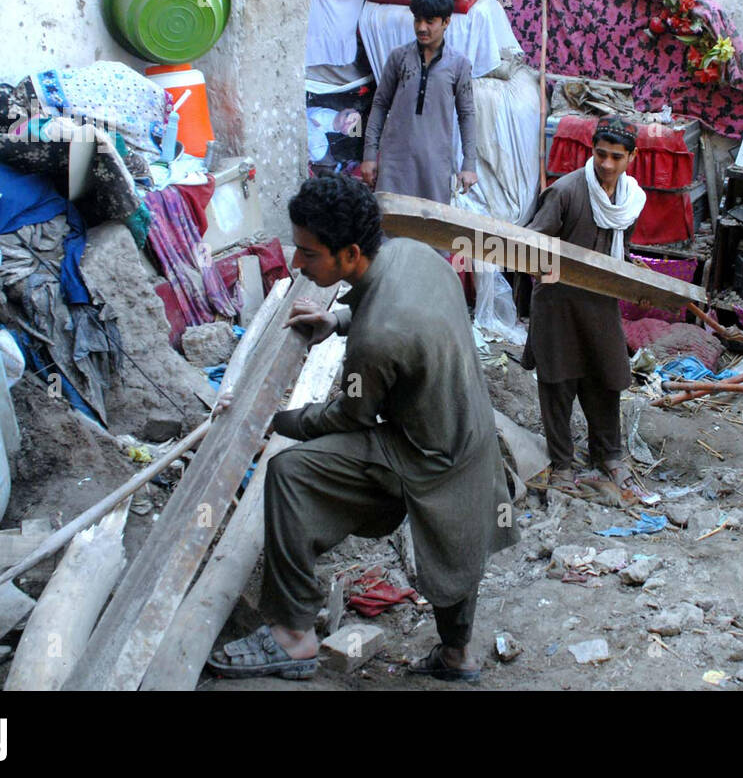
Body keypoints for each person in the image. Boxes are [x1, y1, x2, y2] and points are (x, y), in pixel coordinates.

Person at [207, 174, 516, 682]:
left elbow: (346, 418)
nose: (296, 263)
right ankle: (457, 654)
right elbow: (403, 313)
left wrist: (270, 420)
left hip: (422, 456)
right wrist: (339, 321)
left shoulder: (376, 342)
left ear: (350, 254)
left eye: (308, 253)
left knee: (290, 471)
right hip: (471, 434)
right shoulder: (416, 255)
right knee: (457, 544)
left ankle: (292, 636)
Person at [522, 116, 647, 496]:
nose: (606, 164)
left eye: (616, 157)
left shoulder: (630, 200)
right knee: (558, 383)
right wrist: (546, 268)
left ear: (631, 158)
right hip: (558, 305)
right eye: (600, 154)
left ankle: (608, 456)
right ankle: (561, 462)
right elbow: (527, 246)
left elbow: (622, 248)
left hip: (601, 305)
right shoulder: (565, 192)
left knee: (606, 379)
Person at [360, 0, 478, 203]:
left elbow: (467, 115)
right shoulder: (399, 58)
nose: (422, 28)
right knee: (389, 226)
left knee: (430, 227)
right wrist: (369, 156)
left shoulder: (459, 65)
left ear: (446, 22)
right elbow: (379, 105)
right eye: (417, 20)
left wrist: (469, 165)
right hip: (394, 163)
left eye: (430, 21)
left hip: (435, 165)